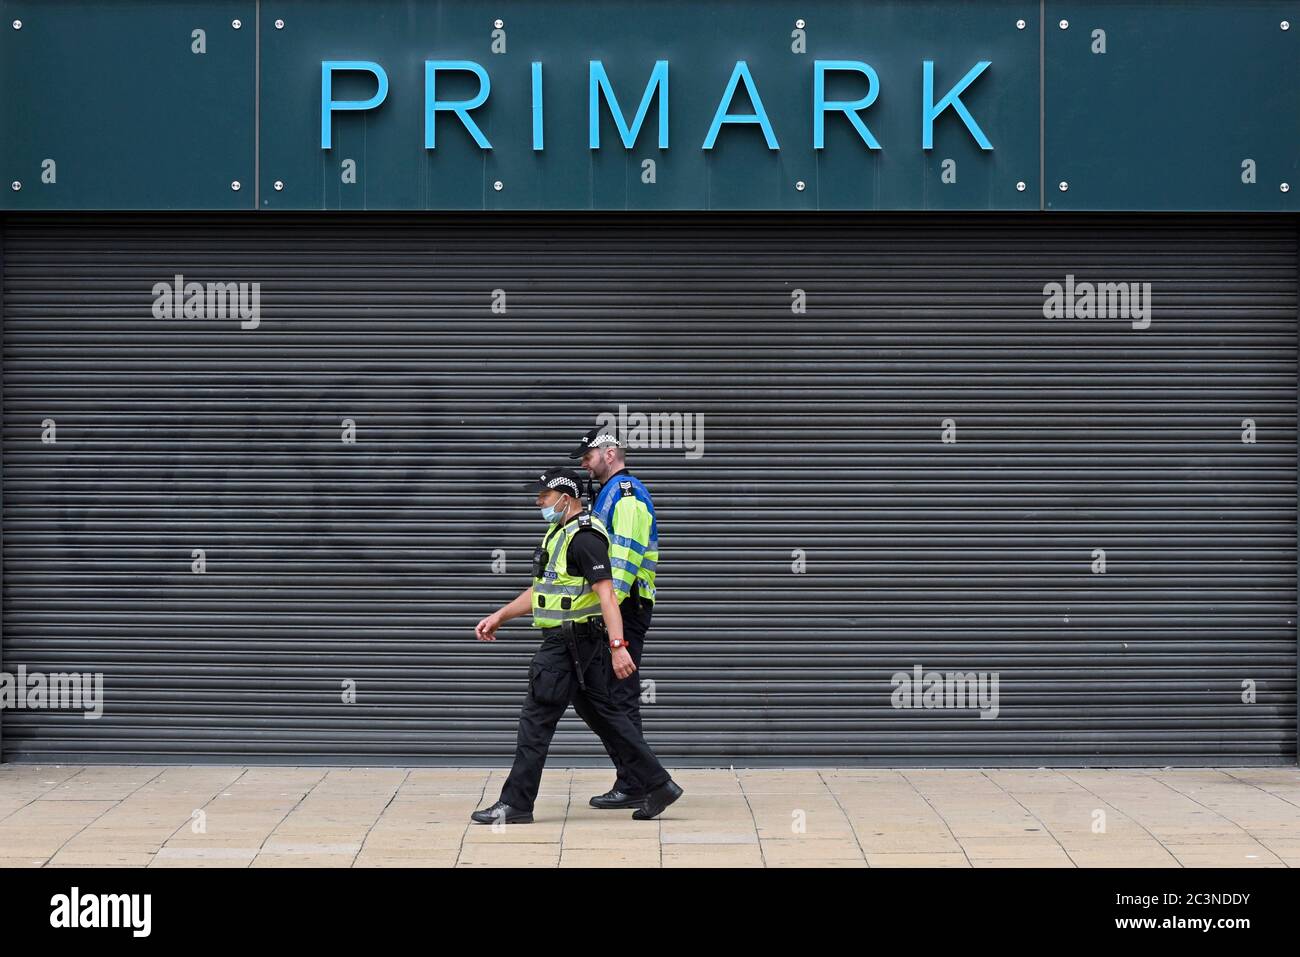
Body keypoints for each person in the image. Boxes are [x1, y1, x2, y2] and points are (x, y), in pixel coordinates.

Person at [470, 467, 683, 824]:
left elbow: (608, 595)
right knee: (609, 716)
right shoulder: (560, 534)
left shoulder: (584, 538)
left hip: (569, 646)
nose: (539, 502)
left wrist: (618, 646)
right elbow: (544, 590)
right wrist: (501, 615)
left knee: (535, 722)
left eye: (544, 497)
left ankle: (516, 804)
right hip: (575, 644)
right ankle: (659, 784)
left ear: (565, 499)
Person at [567, 426, 660, 809]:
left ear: (608, 454)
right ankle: (634, 778)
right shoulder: (608, 495)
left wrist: (608, 612)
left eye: (587, 458)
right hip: (619, 607)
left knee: (620, 696)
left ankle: (636, 782)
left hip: (625, 606)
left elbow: (622, 560)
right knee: (605, 694)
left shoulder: (626, 494)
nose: (584, 466)